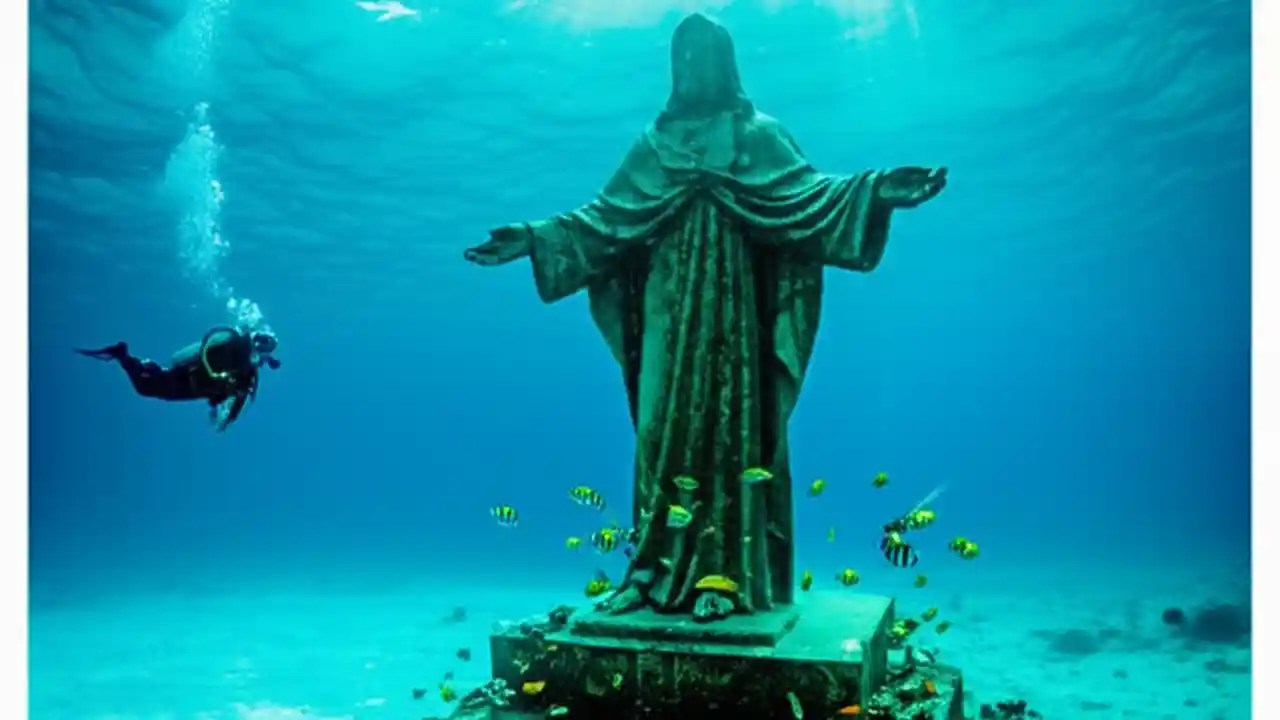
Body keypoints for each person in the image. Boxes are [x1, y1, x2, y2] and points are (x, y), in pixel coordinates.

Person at [464, 13, 946, 620]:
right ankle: (647, 571)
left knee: (730, 434)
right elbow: (604, 220)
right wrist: (535, 238)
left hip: (734, 317)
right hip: (666, 311)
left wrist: (874, 190)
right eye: (682, 58)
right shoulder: (652, 145)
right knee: (658, 428)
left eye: (704, 56)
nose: (693, 69)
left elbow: (810, 199)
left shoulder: (760, 136)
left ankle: (726, 576)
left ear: (727, 62)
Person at [76, 326, 281, 431]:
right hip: (189, 381)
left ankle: (135, 361)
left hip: (190, 382)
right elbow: (207, 352)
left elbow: (237, 399)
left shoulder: (245, 369)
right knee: (145, 389)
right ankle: (123, 355)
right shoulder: (237, 354)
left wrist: (224, 417)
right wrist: (217, 377)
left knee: (154, 383)